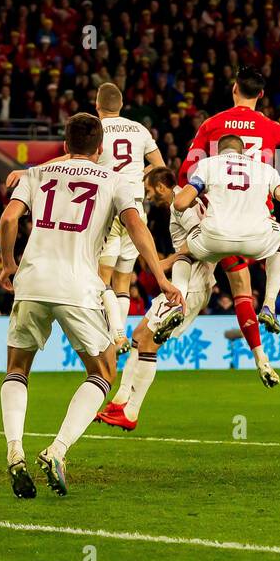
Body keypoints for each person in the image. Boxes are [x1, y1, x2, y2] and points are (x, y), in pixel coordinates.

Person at [0, 113, 182, 497]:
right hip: (78, 285)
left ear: (64, 146)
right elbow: (136, 228)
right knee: (103, 370)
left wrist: (9, 264)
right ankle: (57, 450)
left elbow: (9, 218)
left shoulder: (35, 175)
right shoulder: (113, 181)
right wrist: (161, 279)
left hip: (31, 281)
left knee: (17, 368)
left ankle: (15, 449)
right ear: (101, 149)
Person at [179, 65, 280, 372]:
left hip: (220, 217)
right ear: (260, 94)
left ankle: (260, 359)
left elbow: (185, 174)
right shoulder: (271, 126)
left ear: (234, 88)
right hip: (260, 215)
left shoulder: (212, 124)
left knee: (240, 286)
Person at [174, 134, 280, 386]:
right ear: (246, 152)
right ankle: (270, 305)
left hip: (215, 238)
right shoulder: (264, 168)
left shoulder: (207, 164)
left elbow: (181, 201)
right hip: (256, 237)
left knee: (188, 250)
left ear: (219, 151)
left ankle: (178, 297)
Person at [97, 165, 218, 430]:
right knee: (139, 336)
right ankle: (119, 400)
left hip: (191, 286)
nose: (149, 197)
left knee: (149, 344)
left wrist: (164, 264)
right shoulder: (183, 203)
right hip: (183, 283)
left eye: (151, 192)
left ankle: (131, 412)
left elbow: (204, 242)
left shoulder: (183, 205)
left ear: (162, 187)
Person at [94, 82, 165, 353]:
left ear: (97, 105)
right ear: (121, 106)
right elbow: (160, 166)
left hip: (108, 209)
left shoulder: (96, 129)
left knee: (103, 277)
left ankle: (117, 334)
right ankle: (118, 335)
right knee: (123, 280)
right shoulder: (139, 129)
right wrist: (142, 174)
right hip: (136, 210)